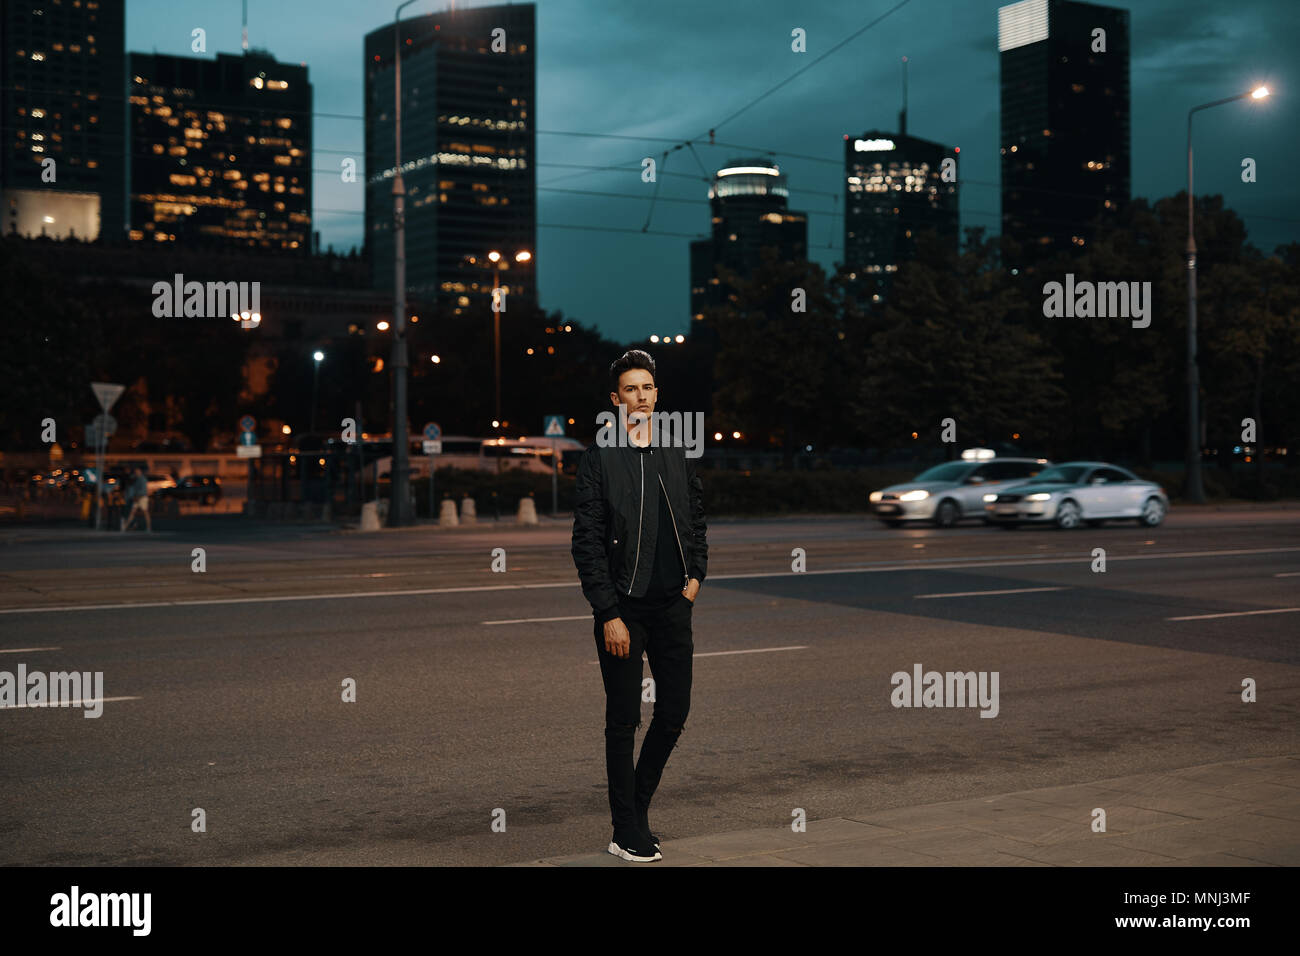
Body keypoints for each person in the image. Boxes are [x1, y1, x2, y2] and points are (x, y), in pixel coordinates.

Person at [571, 349, 708, 862]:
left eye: (647, 388)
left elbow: (696, 520)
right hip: (623, 612)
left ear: (657, 395)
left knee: (674, 713)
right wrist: (607, 613)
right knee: (624, 719)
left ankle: (637, 810)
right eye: (630, 389)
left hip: (674, 606)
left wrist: (695, 578)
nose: (641, 397)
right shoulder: (600, 458)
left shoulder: (676, 452)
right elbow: (586, 542)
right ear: (615, 400)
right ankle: (624, 829)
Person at [121, 466, 151, 533]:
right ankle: (125, 527)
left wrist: (137, 497)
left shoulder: (143, 479)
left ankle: (149, 528)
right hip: (136, 498)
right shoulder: (136, 479)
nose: (136, 472)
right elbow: (130, 481)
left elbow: (143, 491)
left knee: (145, 512)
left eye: (137, 471)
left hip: (142, 498)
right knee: (132, 512)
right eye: (135, 471)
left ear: (140, 471)